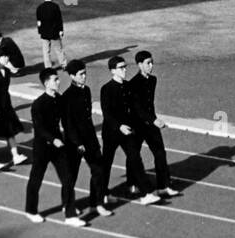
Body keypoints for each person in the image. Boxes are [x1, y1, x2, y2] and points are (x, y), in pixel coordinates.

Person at [24, 69, 84, 226]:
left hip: (58, 146)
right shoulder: (38, 104)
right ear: (46, 83)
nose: (58, 82)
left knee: (68, 178)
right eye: (55, 79)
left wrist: (76, 142)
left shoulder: (60, 99)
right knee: (36, 179)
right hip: (42, 147)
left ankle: (69, 213)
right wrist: (53, 139)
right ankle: (31, 210)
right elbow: (39, 127)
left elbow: (67, 122)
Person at [98, 56, 160, 206]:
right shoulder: (106, 89)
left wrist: (150, 121)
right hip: (112, 133)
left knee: (135, 159)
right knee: (106, 163)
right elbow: (107, 113)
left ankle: (145, 194)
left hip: (128, 132)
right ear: (113, 71)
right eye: (121, 67)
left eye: (125, 66)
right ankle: (102, 194)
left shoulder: (128, 86)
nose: (124, 70)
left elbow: (136, 108)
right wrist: (119, 126)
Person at [62, 60, 111, 217]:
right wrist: (78, 143)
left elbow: (88, 118)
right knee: (71, 176)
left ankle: (96, 203)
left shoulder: (87, 90)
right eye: (81, 74)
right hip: (74, 142)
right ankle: (67, 204)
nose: (84, 76)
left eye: (85, 73)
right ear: (72, 76)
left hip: (90, 139)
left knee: (98, 170)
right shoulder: (67, 96)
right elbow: (68, 123)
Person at [127, 50, 178, 198]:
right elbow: (137, 107)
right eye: (148, 63)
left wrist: (153, 119)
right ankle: (132, 184)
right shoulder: (133, 84)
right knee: (134, 155)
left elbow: (149, 104)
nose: (151, 66)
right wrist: (154, 120)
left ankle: (163, 185)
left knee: (160, 152)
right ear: (139, 65)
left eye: (152, 63)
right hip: (137, 124)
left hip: (150, 123)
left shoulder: (153, 80)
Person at [36, 0, 66, 70]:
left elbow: (39, 22)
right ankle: (63, 64)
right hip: (54, 32)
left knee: (46, 51)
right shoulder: (55, 6)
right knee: (59, 49)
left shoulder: (40, 8)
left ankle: (48, 67)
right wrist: (61, 30)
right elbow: (59, 20)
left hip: (44, 33)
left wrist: (40, 31)